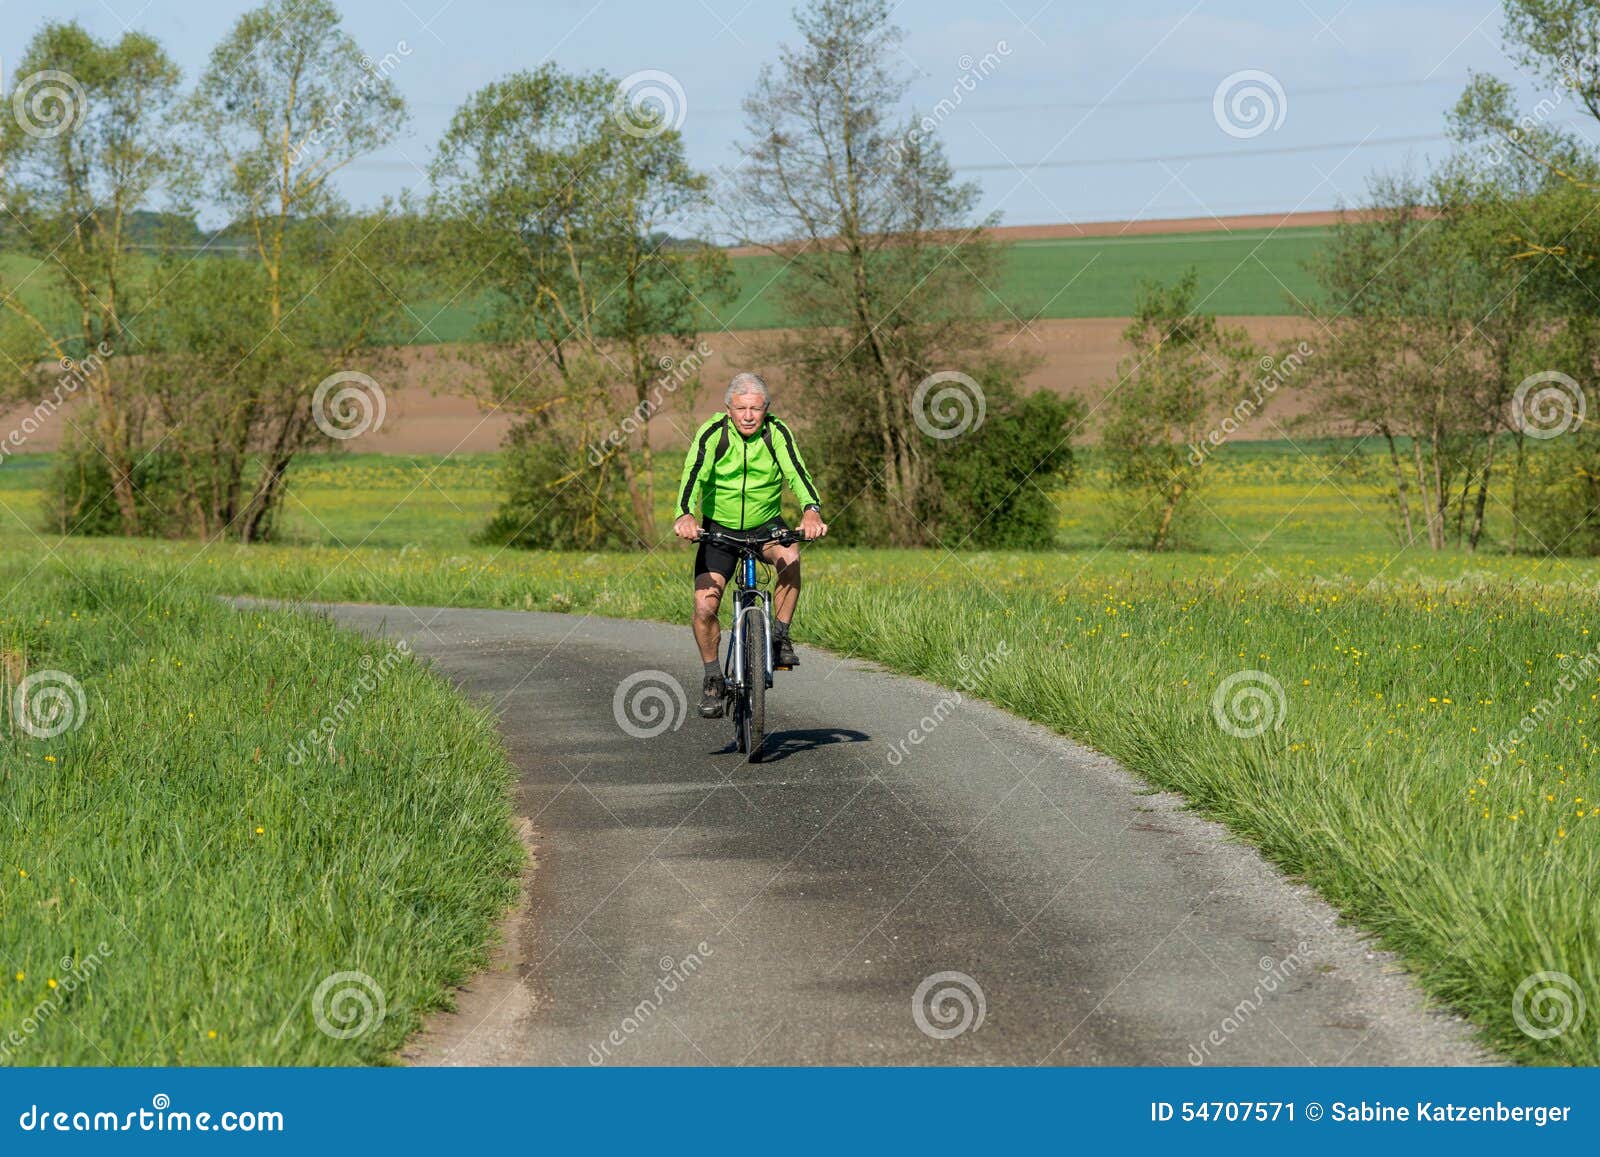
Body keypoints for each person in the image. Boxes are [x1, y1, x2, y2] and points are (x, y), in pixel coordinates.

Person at [673, 372, 827, 718]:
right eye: (740, 408)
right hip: (719, 529)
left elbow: (797, 473)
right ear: (728, 408)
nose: (747, 415)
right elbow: (693, 473)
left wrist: (811, 510)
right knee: (704, 606)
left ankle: (780, 636)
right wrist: (685, 514)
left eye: (755, 408)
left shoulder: (776, 432)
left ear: (766, 409)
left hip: (766, 524)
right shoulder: (713, 433)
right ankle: (713, 677)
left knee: (790, 557)